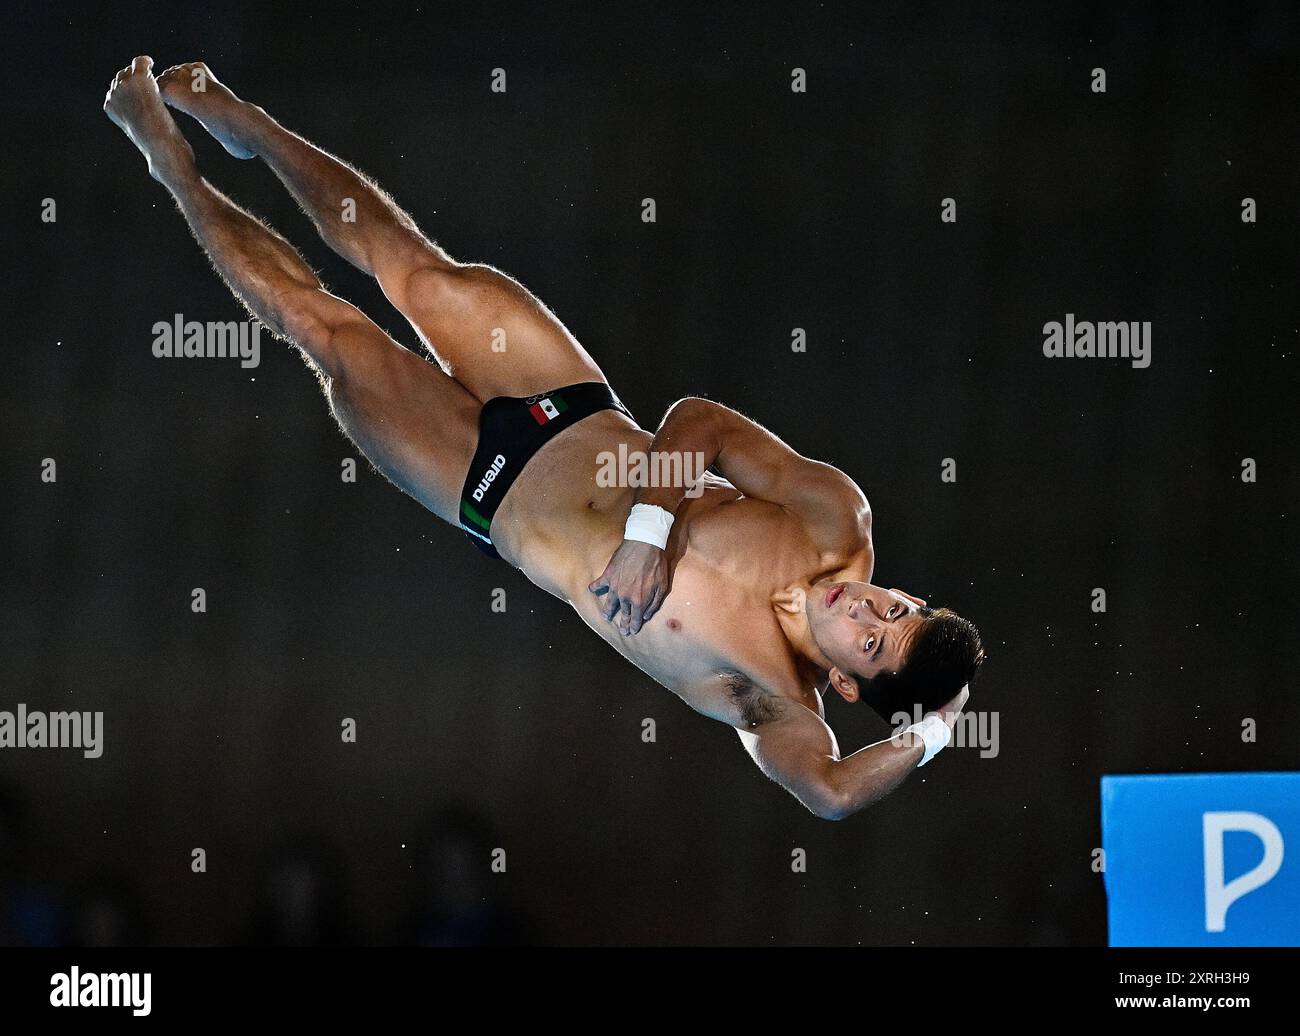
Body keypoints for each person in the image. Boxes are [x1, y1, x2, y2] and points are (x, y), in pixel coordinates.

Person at [104, 57, 984, 820]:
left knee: (325, 330)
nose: (867, 611)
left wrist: (938, 732)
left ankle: (173, 166)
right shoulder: (837, 522)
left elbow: (829, 795)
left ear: (845, 685)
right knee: (414, 268)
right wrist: (648, 533)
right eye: (897, 605)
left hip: (486, 493)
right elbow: (701, 423)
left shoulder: (773, 701)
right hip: (565, 405)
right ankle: (248, 123)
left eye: (871, 642)